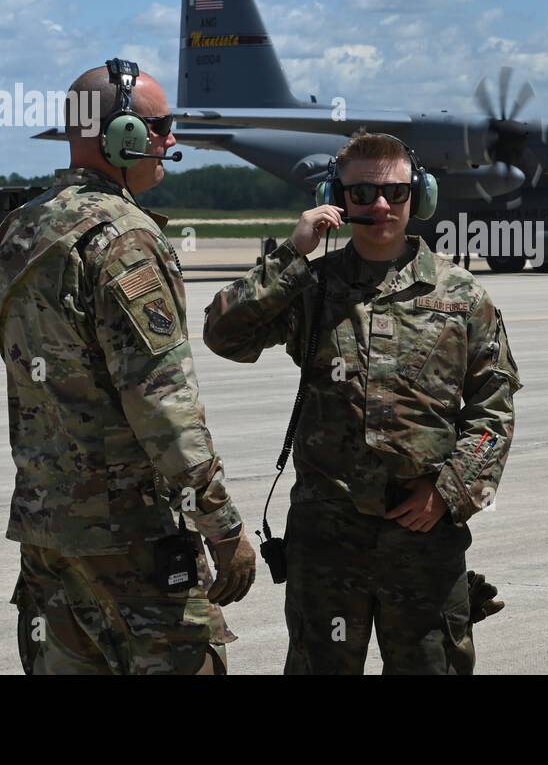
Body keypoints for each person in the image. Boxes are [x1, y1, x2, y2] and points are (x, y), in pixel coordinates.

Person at [203, 131, 521, 675]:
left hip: (423, 536)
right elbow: (225, 335)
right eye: (362, 193)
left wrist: (449, 491)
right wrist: (293, 251)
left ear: (418, 198)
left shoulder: (462, 296)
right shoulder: (312, 285)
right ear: (337, 198)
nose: (379, 206)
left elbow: (492, 409)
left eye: (395, 193)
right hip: (326, 538)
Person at [0, 59, 256, 675]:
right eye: (161, 126)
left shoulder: (21, 230)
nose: (172, 141)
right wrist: (221, 524)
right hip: (129, 539)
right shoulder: (124, 238)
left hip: (49, 532)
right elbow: (164, 406)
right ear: (123, 136)